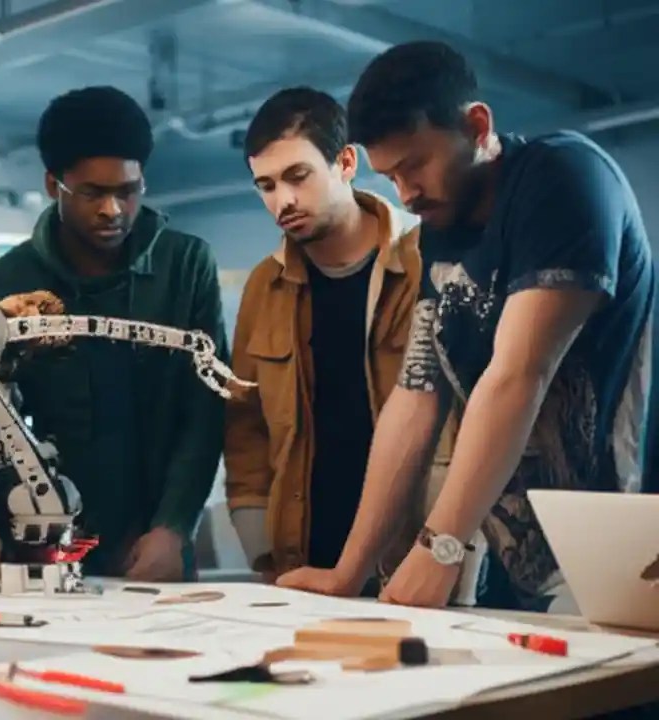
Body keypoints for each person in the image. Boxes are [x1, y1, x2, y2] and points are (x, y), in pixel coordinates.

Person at [278, 41, 654, 611]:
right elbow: (416, 396)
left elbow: (518, 374)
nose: (405, 193)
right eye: (390, 176)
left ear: (477, 126)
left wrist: (441, 546)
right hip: (522, 556)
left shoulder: (563, 179)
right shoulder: (444, 226)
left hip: (623, 551)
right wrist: (347, 572)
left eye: (414, 166)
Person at [0, 86, 228, 582]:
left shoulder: (186, 264)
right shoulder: (3, 284)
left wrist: (175, 527)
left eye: (127, 191)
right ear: (53, 185)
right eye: (92, 193)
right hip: (43, 545)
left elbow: (204, 410)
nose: (113, 209)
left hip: (159, 547)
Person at [226, 87, 443, 587]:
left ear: (345, 162)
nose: (283, 200)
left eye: (297, 176)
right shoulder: (266, 284)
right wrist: (262, 553)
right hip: (303, 557)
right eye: (266, 186)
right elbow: (245, 423)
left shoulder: (427, 261)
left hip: (413, 559)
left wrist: (450, 553)